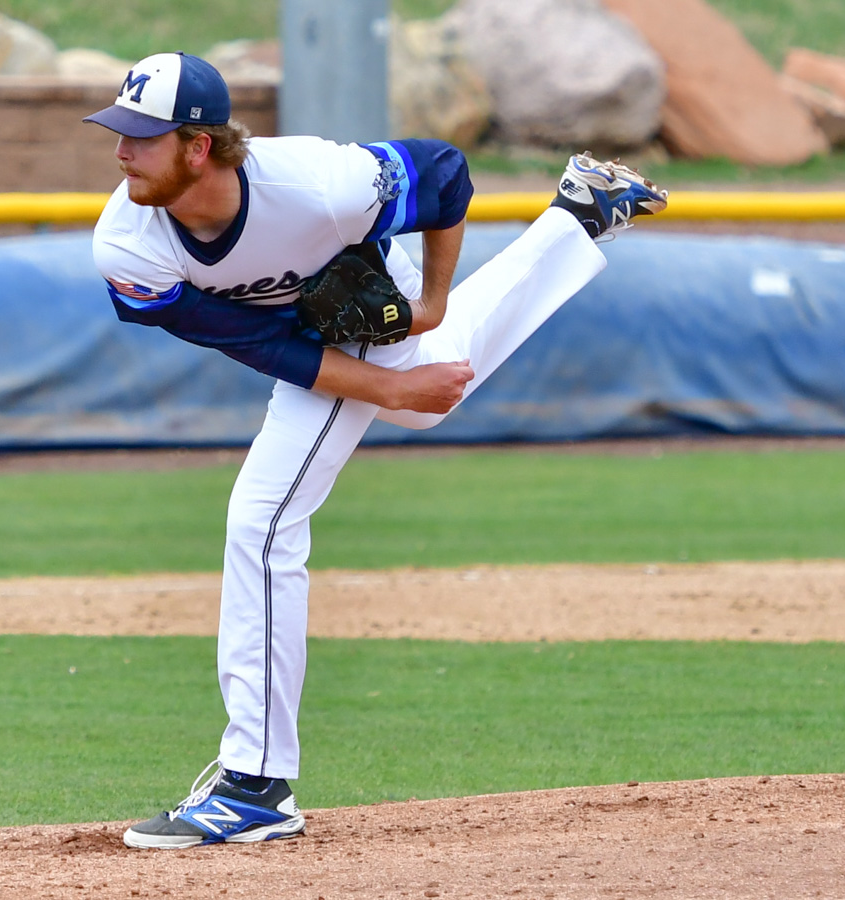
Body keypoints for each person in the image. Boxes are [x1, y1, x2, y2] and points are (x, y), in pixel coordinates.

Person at [84, 51, 667, 850]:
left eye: (140, 137)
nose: (119, 151)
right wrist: (387, 389)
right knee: (415, 408)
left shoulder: (323, 186)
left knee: (262, 521)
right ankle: (579, 217)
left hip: (364, 292)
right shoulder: (129, 245)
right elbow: (251, 342)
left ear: (198, 146)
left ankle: (256, 784)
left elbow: (445, 174)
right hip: (312, 332)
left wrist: (427, 303)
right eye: (118, 131)